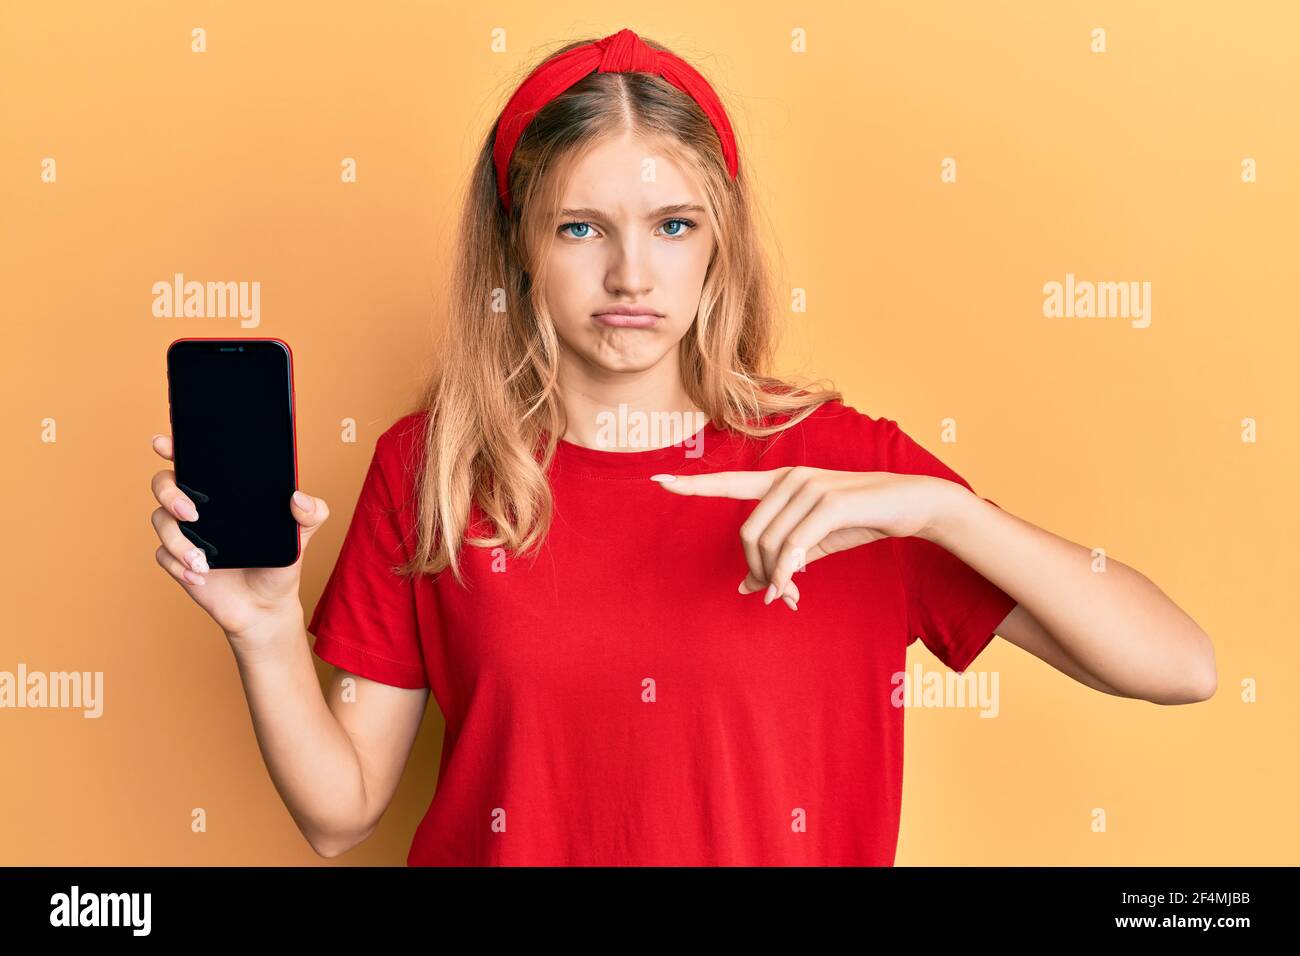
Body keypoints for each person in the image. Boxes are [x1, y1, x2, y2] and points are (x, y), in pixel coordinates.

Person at [148, 28, 1217, 866]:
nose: (630, 276)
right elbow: (340, 815)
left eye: (671, 226)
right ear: (518, 248)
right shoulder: (431, 466)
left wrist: (941, 509)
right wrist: (264, 627)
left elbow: (1179, 666)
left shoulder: (849, 471)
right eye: (581, 228)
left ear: (720, 244)